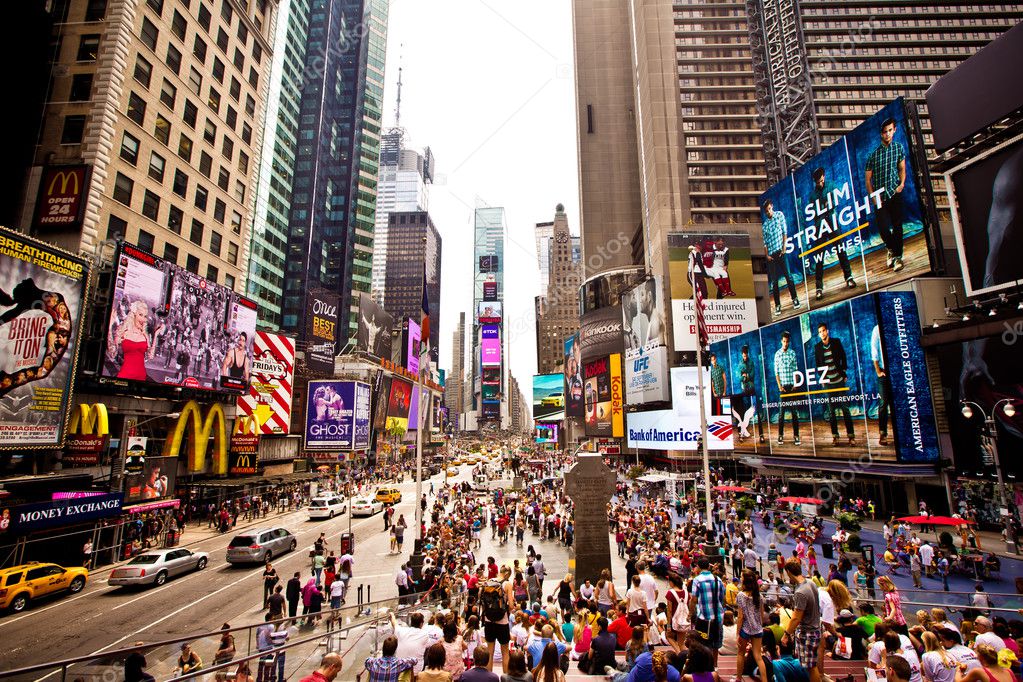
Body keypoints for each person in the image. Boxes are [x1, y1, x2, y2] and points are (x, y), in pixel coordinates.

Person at [805, 166, 856, 300]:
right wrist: (824, 208)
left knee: (841, 250)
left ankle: (849, 277)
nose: (821, 184)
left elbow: (834, 203)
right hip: (820, 226)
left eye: (822, 181)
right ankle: (819, 288)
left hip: (833, 222)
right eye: (818, 182)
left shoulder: (831, 185)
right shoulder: (812, 195)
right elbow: (815, 214)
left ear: (824, 177)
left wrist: (828, 206)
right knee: (819, 258)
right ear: (814, 182)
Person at [865, 117, 908, 273]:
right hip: (880, 196)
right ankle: (891, 248)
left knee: (897, 226)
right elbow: (868, 180)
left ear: (894, 130)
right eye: (885, 132)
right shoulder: (873, 155)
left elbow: (902, 168)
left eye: (890, 130)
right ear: (881, 134)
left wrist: (901, 184)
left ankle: (897, 257)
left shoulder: (898, 148)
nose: (888, 134)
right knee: (883, 228)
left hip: (895, 191)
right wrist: (873, 197)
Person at [814, 322, 855, 446]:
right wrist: (822, 379)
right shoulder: (817, 347)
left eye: (823, 331)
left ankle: (851, 437)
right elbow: (818, 365)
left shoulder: (836, 342)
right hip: (828, 383)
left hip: (839, 381)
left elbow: (843, 356)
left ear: (827, 331)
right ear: (819, 334)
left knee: (845, 409)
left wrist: (843, 372)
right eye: (820, 332)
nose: (822, 333)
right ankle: (835, 437)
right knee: (831, 411)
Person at [782, 558, 822, 682]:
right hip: (815, 628)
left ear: (788, 571)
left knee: (811, 667)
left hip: (807, 632)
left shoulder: (800, 592)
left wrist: (786, 634)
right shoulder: (811, 583)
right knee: (811, 666)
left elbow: (796, 618)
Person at [762, 199, 801, 315]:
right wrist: (767, 255)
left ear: (772, 207)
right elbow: (765, 243)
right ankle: (777, 305)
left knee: (789, 276)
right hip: (771, 256)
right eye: (766, 211)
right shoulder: (764, 226)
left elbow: (784, 232)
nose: (768, 212)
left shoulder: (779, 215)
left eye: (769, 209)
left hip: (781, 252)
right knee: (774, 282)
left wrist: (784, 247)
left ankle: (795, 299)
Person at [689, 556, 726, 662]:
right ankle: (715, 667)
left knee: (703, 644)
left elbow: (694, 599)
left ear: (699, 567)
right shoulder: (717, 579)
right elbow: (722, 598)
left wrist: (691, 613)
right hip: (717, 617)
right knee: (715, 645)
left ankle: (705, 667)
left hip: (703, 618)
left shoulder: (697, 580)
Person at [735, 569, 769, 682]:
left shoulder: (741, 595)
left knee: (740, 653)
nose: (740, 578)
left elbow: (740, 617)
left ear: (745, 580)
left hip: (745, 628)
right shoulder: (759, 596)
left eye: (741, 576)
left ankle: (738, 678)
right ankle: (764, 680)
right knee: (758, 656)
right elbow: (761, 614)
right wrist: (760, 626)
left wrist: (737, 633)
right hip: (757, 628)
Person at [482, 565, 515, 673]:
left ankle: (489, 678)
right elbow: (511, 606)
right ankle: (505, 677)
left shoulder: (489, 581)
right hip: (502, 621)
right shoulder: (507, 584)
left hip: (489, 620)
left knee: (489, 652)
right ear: (507, 574)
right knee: (505, 652)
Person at [774, 331, 802, 446]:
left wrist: (796, 384)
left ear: (789, 342)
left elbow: (796, 369)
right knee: (781, 413)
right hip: (783, 388)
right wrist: (780, 386)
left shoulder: (792, 353)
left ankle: (796, 436)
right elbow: (776, 372)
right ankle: (780, 436)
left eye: (787, 342)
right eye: (784, 341)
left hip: (792, 387)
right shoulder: (777, 354)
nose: (785, 343)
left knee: (794, 412)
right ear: (781, 341)